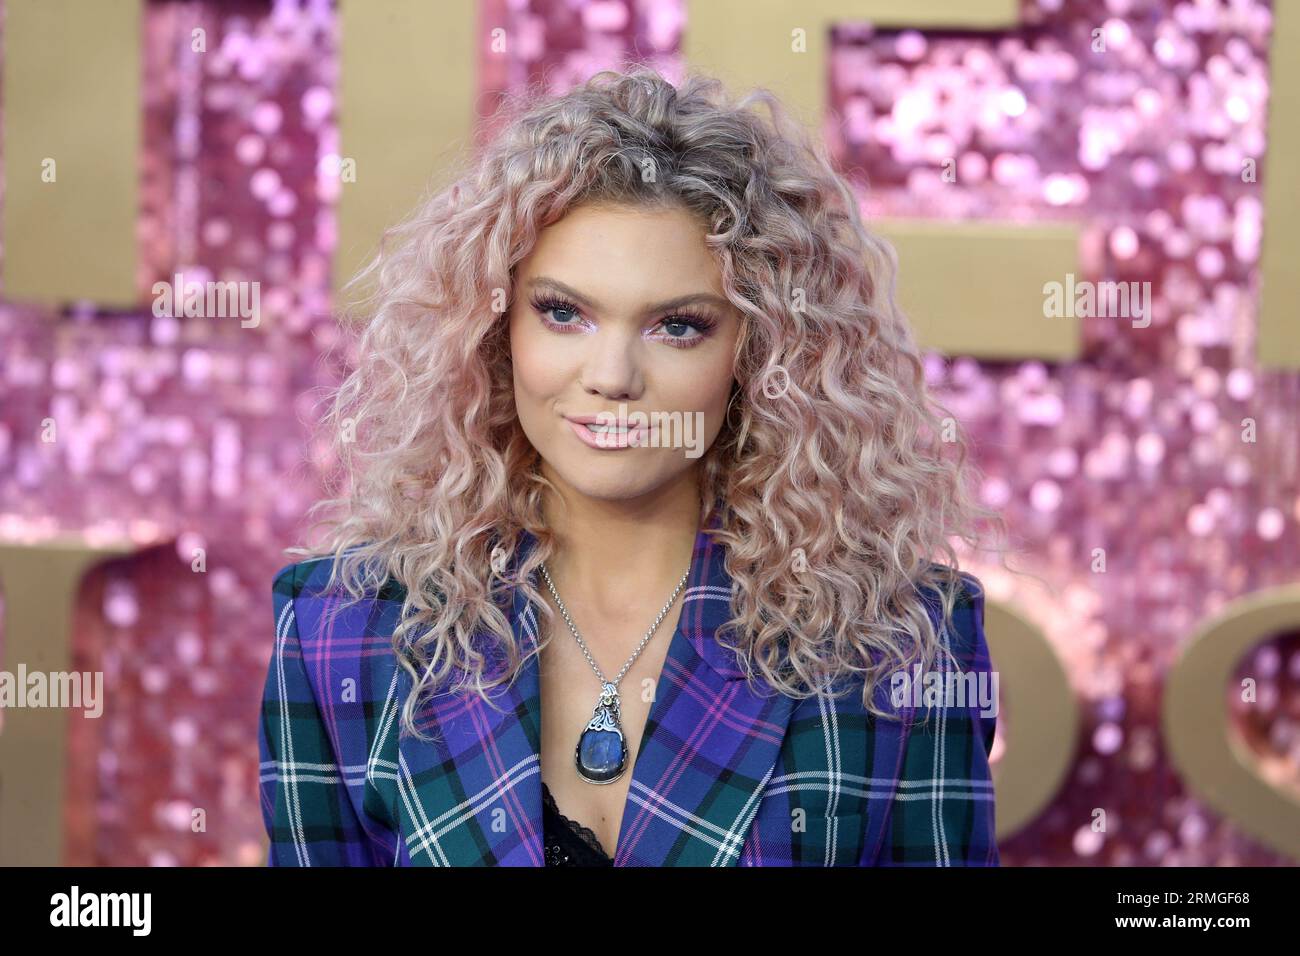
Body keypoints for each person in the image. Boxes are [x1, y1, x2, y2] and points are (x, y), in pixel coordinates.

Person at [258, 66, 1007, 866]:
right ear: (494, 328)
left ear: (758, 352)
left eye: (677, 326)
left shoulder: (903, 642)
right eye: (563, 313)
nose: (612, 375)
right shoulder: (345, 633)